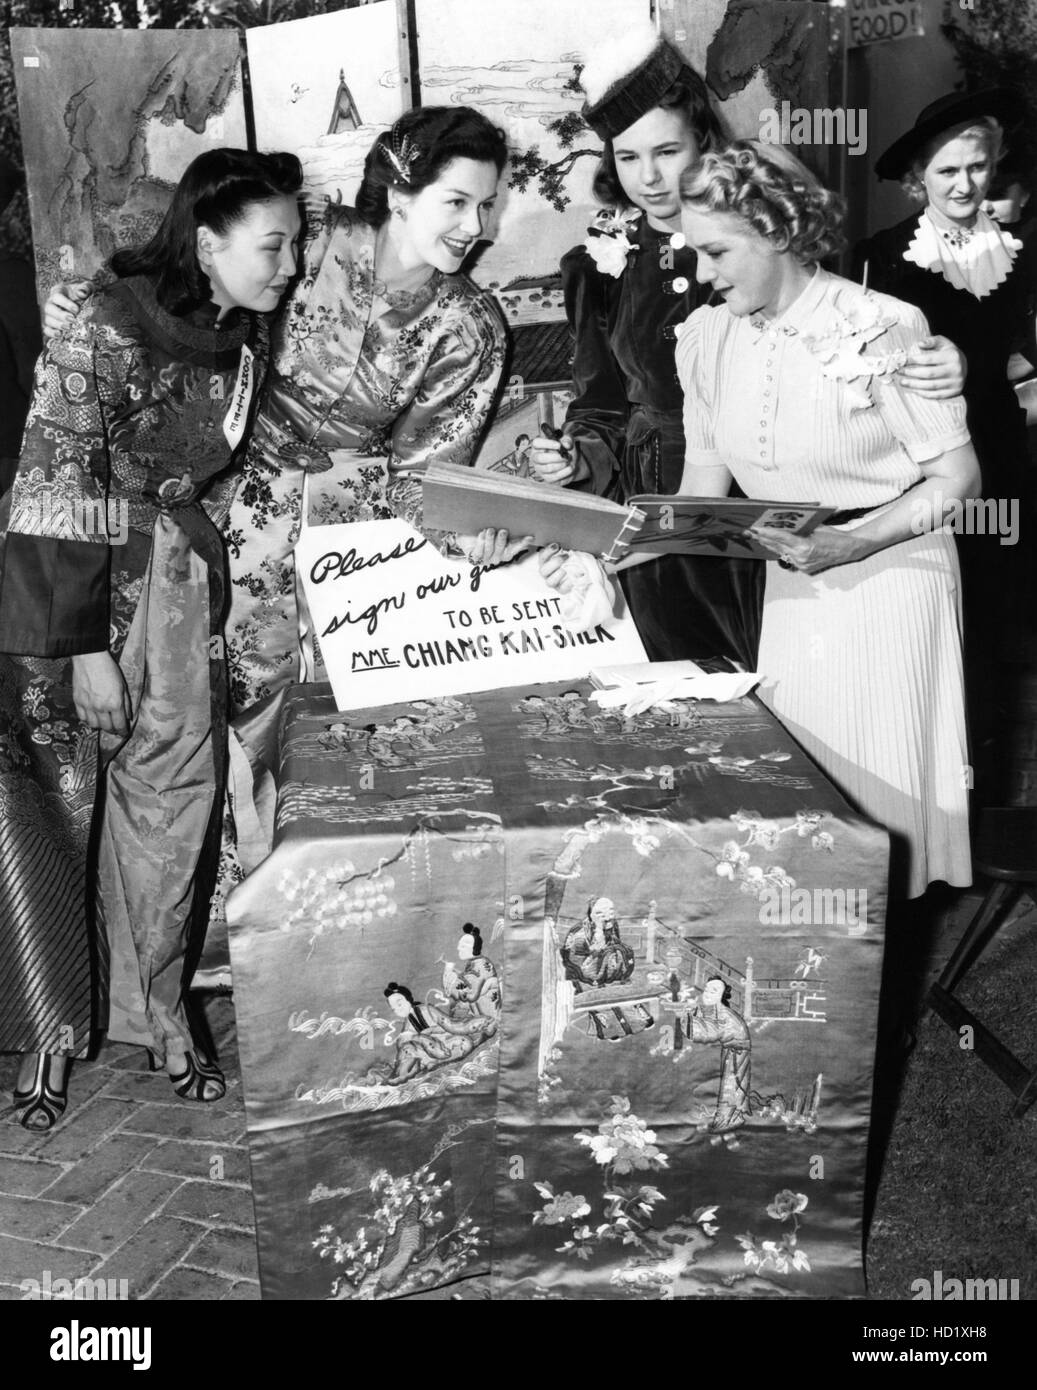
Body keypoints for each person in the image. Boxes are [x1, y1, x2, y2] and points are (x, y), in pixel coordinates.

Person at [0, 148, 303, 1128]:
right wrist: (86, 645)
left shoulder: (244, 337)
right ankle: (45, 1032)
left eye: (295, 241)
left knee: (173, 820)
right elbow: (56, 475)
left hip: (177, 592)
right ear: (208, 244)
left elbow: (263, 454)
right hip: (71, 590)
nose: (290, 263)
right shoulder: (102, 322)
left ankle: (163, 1017)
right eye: (275, 244)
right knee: (59, 805)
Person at [528, 25, 965, 669]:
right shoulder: (604, 269)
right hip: (677, 502)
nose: (649, 179)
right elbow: (610, 412)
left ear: (703, 142)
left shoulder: (774, 239)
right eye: (627, 158)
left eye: (667, 152)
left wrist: (952, 362)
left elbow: (866, 336)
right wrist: (584, 494)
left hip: (794, 514)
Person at [672, 140, 980, 901]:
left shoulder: (882, 323)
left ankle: (891, 1010)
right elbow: (697, 497)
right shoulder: (706, 340)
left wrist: (851, 542)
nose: (703, 274)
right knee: (809, 825)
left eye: (715, 251)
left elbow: (959, 480)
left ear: (774, 229)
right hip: (795, 590)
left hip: (891, 582)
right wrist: (588, 544)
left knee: (883, 815)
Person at [854, 91, 1037, 801]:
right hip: (920, 475)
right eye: (947, 171)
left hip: (999, 469)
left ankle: (982, 807)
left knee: (992, 639)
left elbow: (1023, 358)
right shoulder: (880, 261)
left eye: (978, 167)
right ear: (918, 179)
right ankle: (919, 801)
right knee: (926, 634)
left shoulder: (1021, 259)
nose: (965, 185)